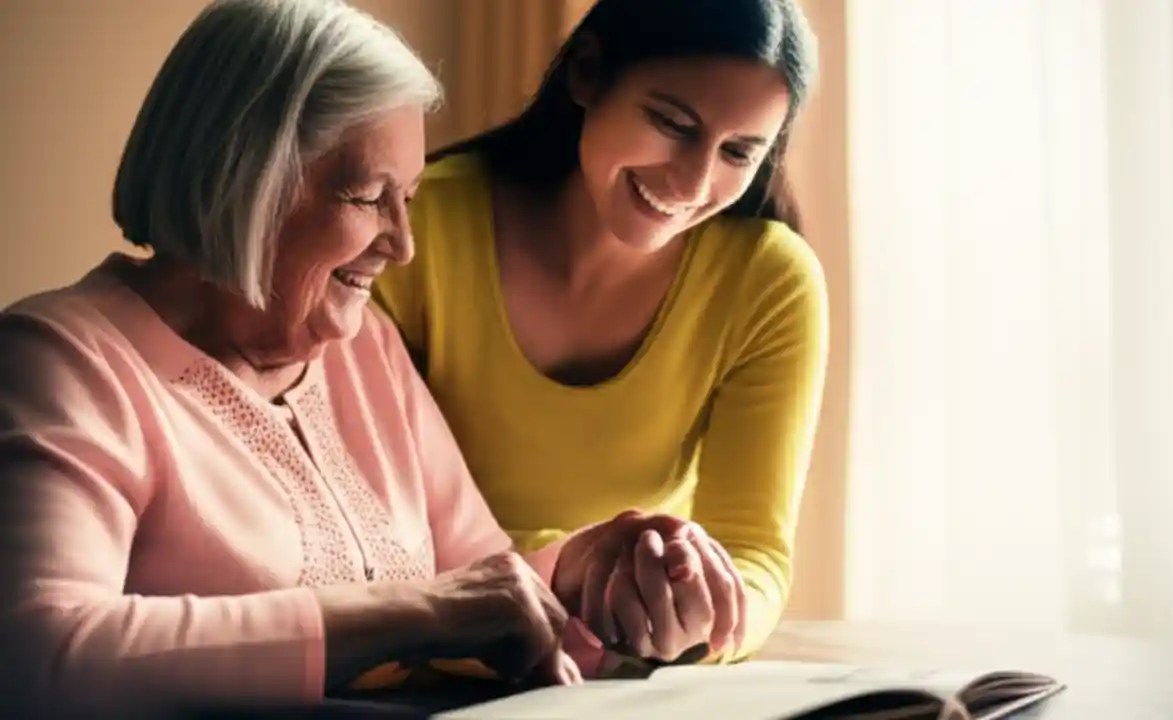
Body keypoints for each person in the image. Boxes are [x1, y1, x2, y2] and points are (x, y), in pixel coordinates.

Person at [0, 1, 580, 718]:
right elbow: (41, 654)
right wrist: (415, 612)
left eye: (408, 198)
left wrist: (591, 574)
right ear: (241, 180)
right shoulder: (63, 361)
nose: (402, 245)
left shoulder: (367, 348)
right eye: (368, 197)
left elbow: (479, 583)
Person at [374, 0, 828, 672]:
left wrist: (697, 619)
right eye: (673, 123)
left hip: (622, 673)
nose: (694, 183)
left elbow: (754, 557)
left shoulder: (770, 280)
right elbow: (370, 527)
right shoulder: (417, 232)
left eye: (739, 152)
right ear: (587, 74)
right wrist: (583, 573)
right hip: (420, 657)